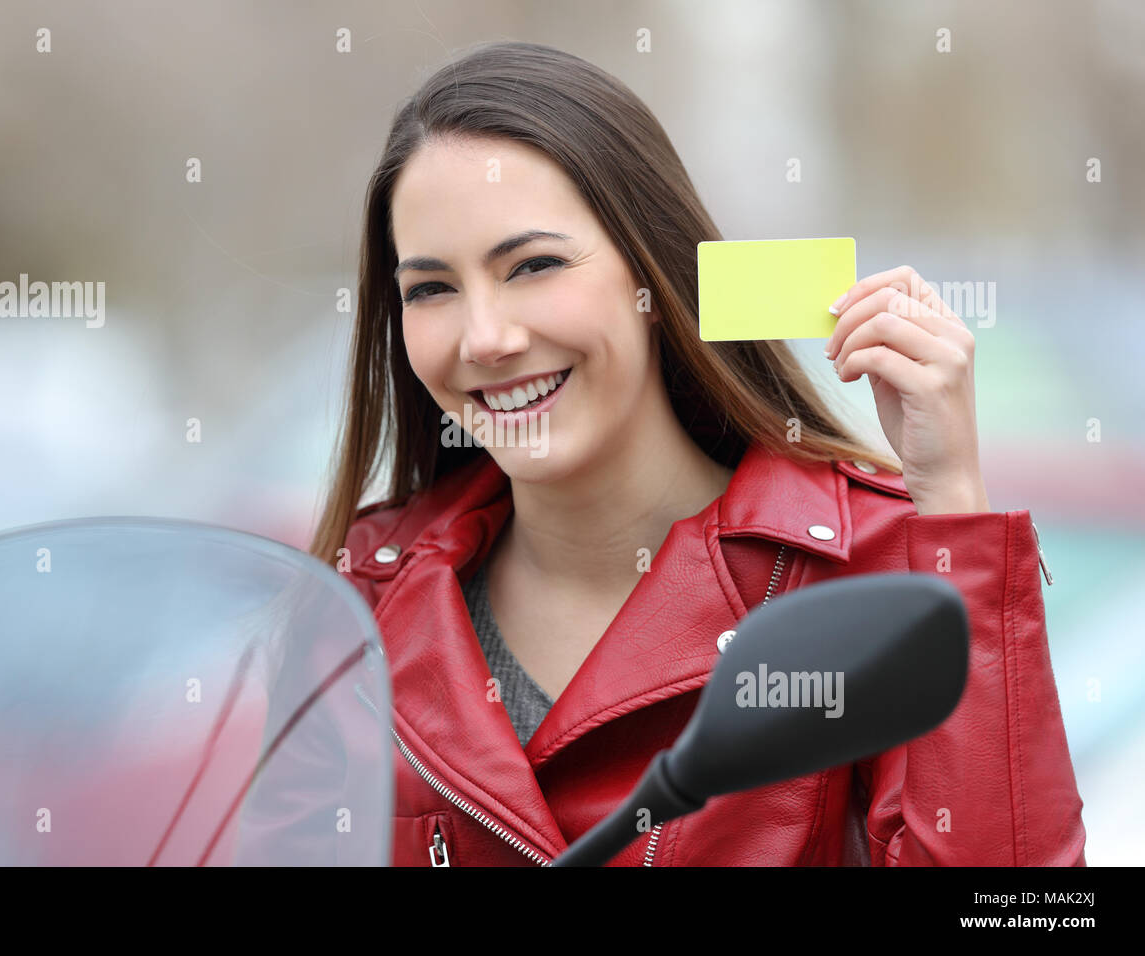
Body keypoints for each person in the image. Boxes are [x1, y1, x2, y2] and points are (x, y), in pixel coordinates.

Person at [308, 40, 1086, 866]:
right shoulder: (353, 608)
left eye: (533, 266)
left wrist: (953, 505)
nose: (487, 337)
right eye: (431, 288)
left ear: (653, 278)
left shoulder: (875, 569)